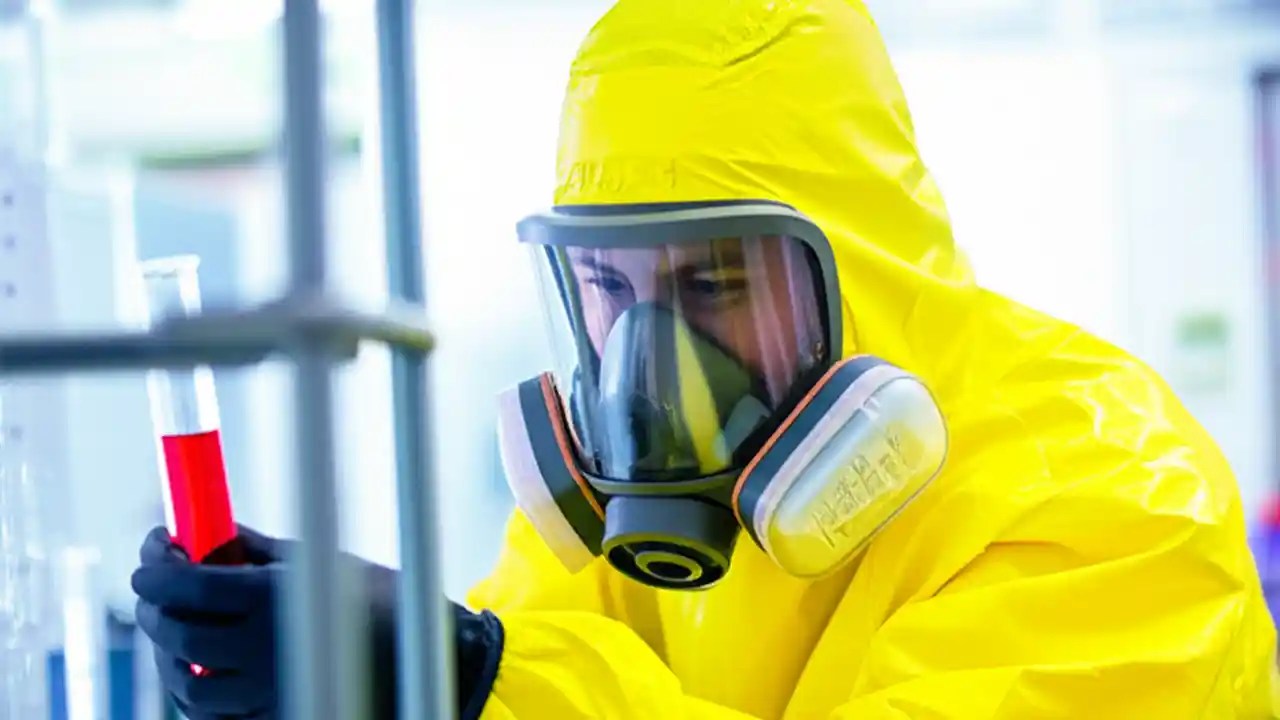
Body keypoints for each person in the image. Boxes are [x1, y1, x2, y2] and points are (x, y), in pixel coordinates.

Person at [131, 0, 1280, 718]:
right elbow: (513, 661)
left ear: (854, 268)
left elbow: (515, 682)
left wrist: (478, 681)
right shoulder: (607, 522)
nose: (646, 356)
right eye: (606, 289)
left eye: (712, 284)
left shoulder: (1108, 499)